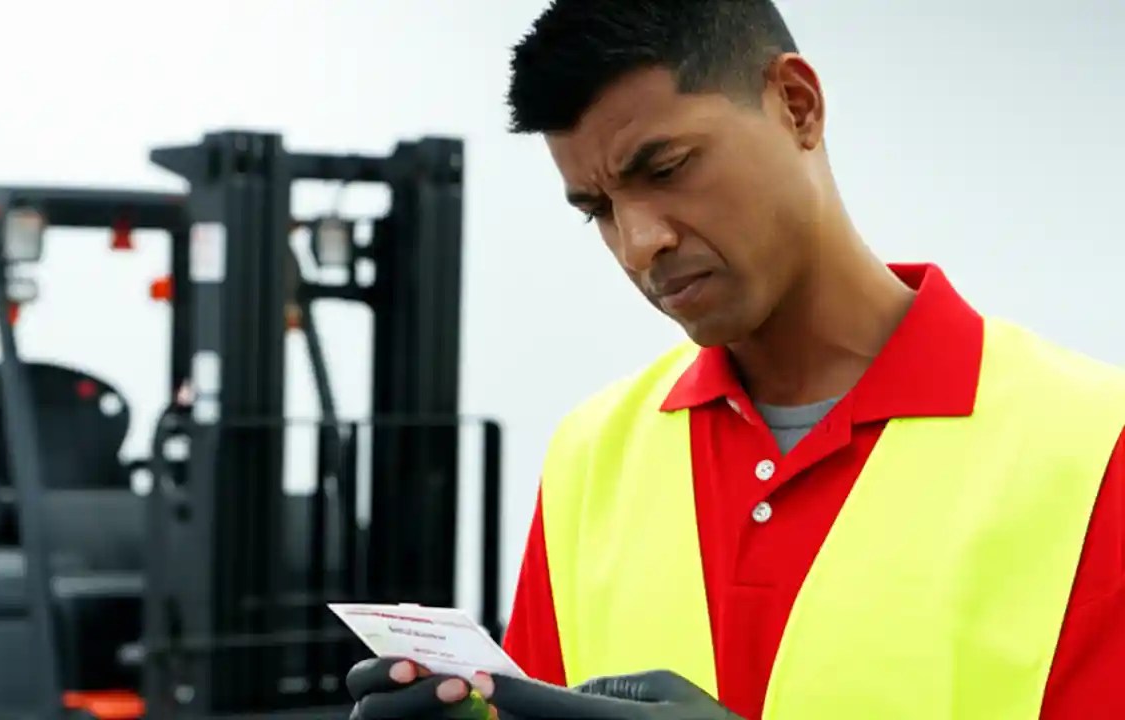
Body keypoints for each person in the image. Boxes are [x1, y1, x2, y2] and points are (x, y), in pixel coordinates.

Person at [347, 0, 1125, 717]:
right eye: (599, 211)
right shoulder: (594, 453)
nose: (639, 242)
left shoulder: (1094, 450)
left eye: (667, 169)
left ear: (797, 105)